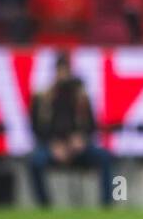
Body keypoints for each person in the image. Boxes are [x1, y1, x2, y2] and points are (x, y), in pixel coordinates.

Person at [28, 52, 114, 208]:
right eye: (60, 70)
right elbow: (36, 128)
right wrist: (52, 144)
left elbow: (92, 127)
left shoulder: (81, 98)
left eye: (65, 70)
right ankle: (44, 206)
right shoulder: (43, 98)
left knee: (105, 157)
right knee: (35, 161)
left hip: (78, 148)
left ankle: (107, 205)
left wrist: (81, 139)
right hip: (53, 148)